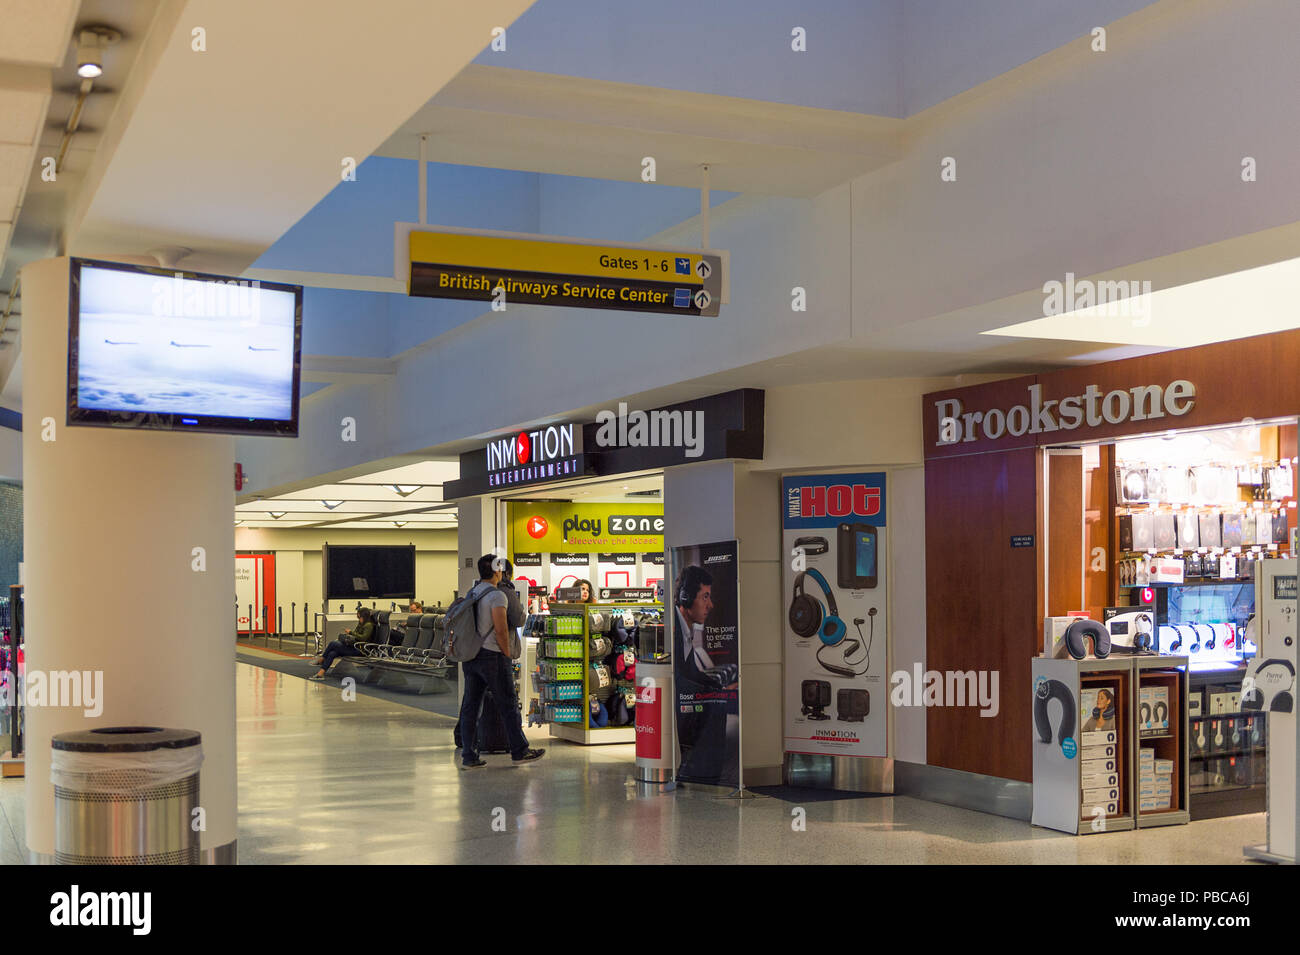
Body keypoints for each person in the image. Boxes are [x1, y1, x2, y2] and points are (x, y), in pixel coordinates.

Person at [457, 554, 545, 769]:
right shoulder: (497, 596)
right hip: (492, 656)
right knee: (508, 704)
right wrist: (506, 653)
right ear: (498, 572)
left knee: (471, 705)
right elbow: (501, 629)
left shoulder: (473, 592)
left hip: (472, 656)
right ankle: (520, 751)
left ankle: (469, 754)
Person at [309, 607, 373, 680]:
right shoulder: (361, 624)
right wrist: (348, 636)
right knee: (332, 653)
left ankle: (321, 659)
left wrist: (350, 632)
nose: (358, 618)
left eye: (359, 616)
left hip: (360, 650)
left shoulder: (368, 625)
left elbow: (363, 638)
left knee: (333, 643)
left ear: (363, 616)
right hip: (353, 647)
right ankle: (320, 674)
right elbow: (356, 636)